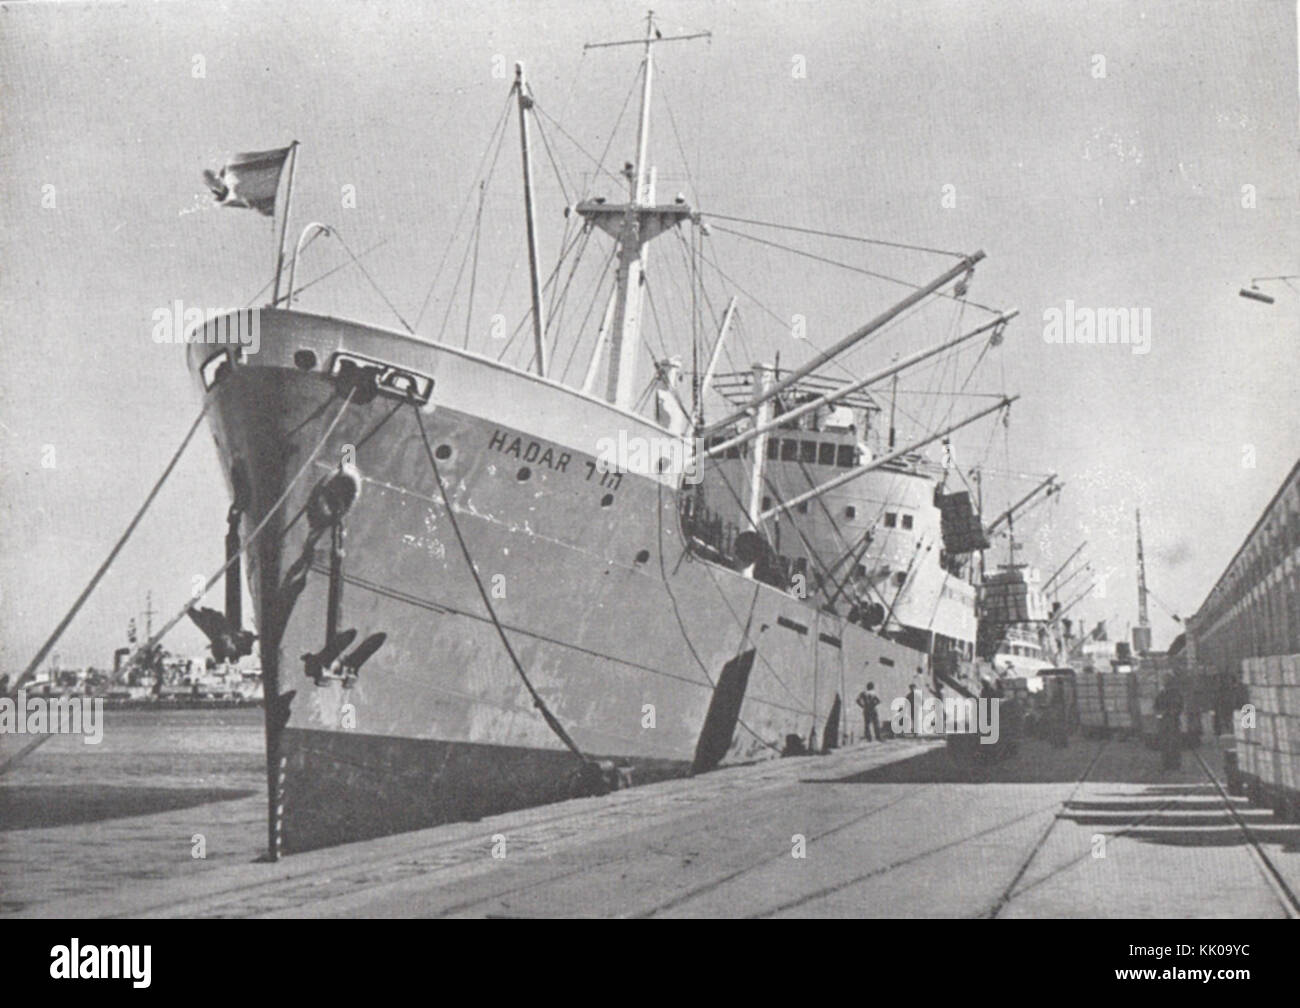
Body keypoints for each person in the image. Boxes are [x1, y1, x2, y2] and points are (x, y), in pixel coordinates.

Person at [1154, 675, 1183, 770]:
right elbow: (1156, 707)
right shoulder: (1166, 694)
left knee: (1170, 743)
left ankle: (1171, 764)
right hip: (1169, 721)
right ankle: (1171, 764)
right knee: (1169, 743)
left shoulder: (1168, 694)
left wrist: (1166, 713)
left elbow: (1179, 707)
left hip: (1170, 721)